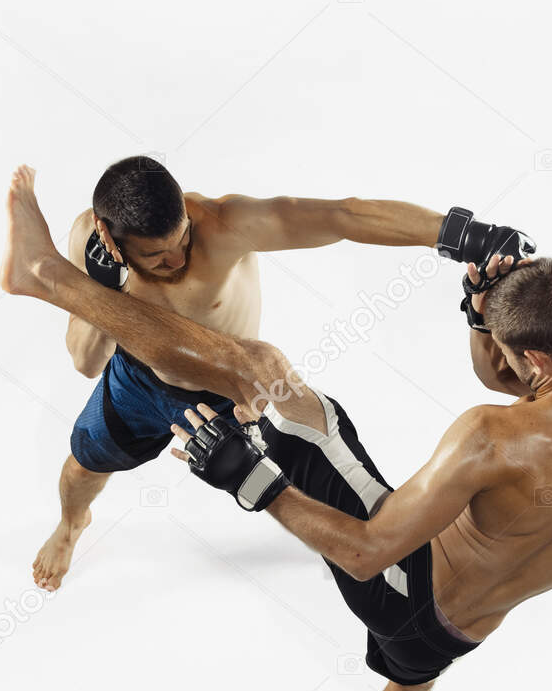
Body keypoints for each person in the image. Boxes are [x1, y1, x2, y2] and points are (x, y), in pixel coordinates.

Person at [2, 166, 552, 691]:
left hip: (402, 584)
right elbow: (531, 388)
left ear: (537, 359)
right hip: (465, 627)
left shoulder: (491, 439)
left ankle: (45, 277)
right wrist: (479, 310)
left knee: (290, 393)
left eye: (500, 347)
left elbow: (364, 551)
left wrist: (250, 482)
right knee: (410, 687)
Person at [33, 155, 450, 591]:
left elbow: (341, 215)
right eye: (156, 255)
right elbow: (85, 362)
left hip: (234, 389)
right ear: (108, 236)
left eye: (183, 238)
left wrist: (456, 233)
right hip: (136, 381)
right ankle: (71, 525)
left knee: (323, 475)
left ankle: (387, 550)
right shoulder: (87, 241)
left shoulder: (225, 223)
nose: (177, 261)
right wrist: (103, 290)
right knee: (82, 469)